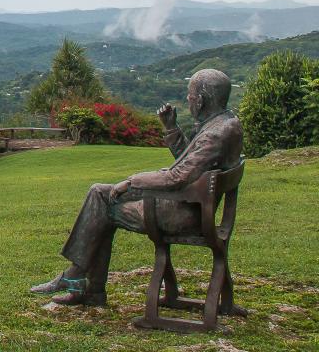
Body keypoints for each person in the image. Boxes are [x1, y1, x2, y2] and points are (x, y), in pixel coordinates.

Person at [30, 68, 243, 306]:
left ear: (201, 100)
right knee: (99, 191)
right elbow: (187, 163)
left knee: (102, 207)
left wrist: (131, 182)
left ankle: (80, 281)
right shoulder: (225, 123)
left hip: (183, 215)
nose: (187, 100)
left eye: (190, 95)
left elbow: (176, 177)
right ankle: (83, 283)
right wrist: (171, 128)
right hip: (193, 205)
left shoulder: (215, 134)